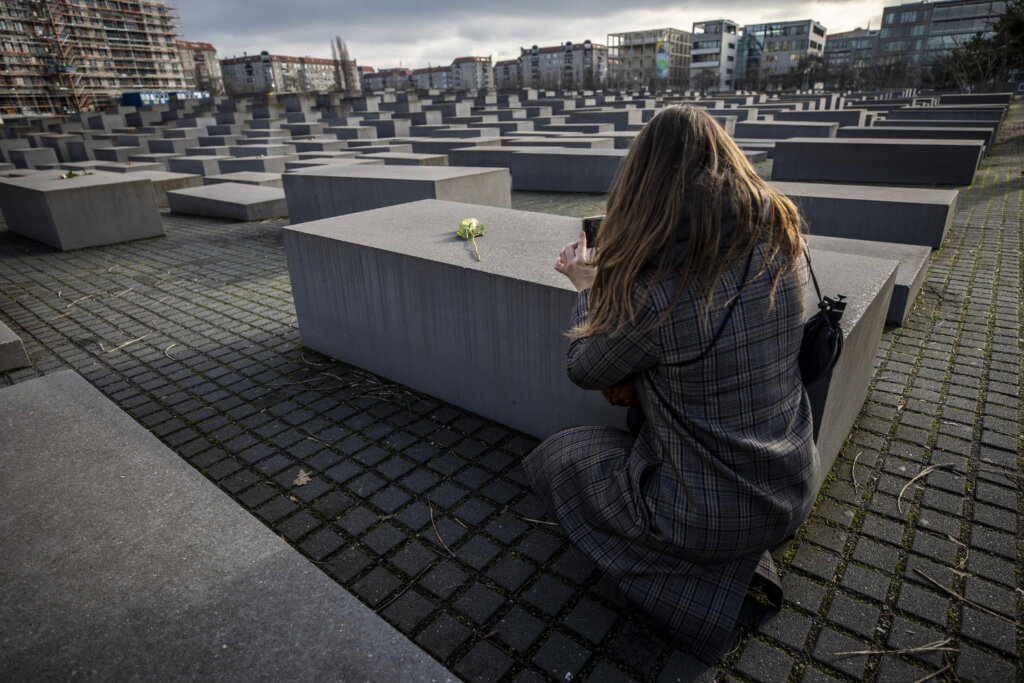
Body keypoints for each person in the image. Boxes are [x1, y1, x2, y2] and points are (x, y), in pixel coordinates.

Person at [522, 105, 820, 661]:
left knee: (563, 458)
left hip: (710, 514)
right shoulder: (781, 242)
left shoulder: (660, 293)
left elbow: (584, 367)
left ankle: (706, 594)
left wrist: (589, 282)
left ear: (645, 183)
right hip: (795, 476)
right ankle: (734, 557)